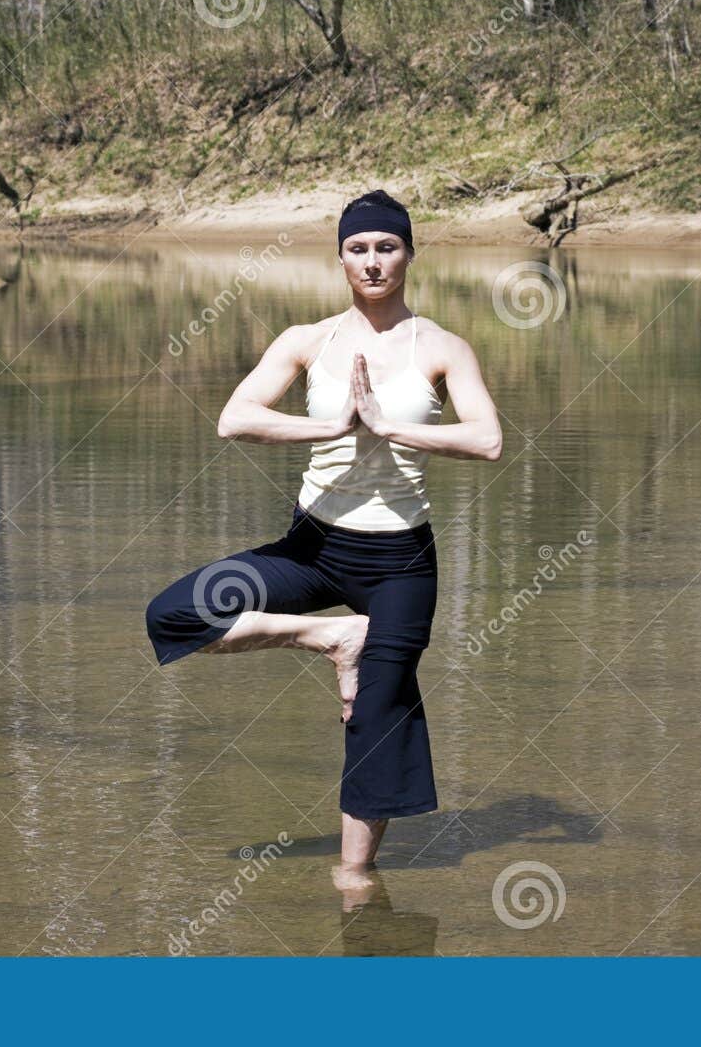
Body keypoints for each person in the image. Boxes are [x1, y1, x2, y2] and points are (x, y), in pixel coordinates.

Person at [145, 189, 502, 882]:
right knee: (175, 611)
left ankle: (354, 879)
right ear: (340, 257)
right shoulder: (308, 341)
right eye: (359, 248)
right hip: (314, 547)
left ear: (409, 254)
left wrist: (391, 426)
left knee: (378, 717)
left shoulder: (443, 347)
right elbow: (235, 418)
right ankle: (330, 636)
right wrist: (333, 426)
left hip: (401, 561)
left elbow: (487, 439)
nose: (373, 262)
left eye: (386, 247)